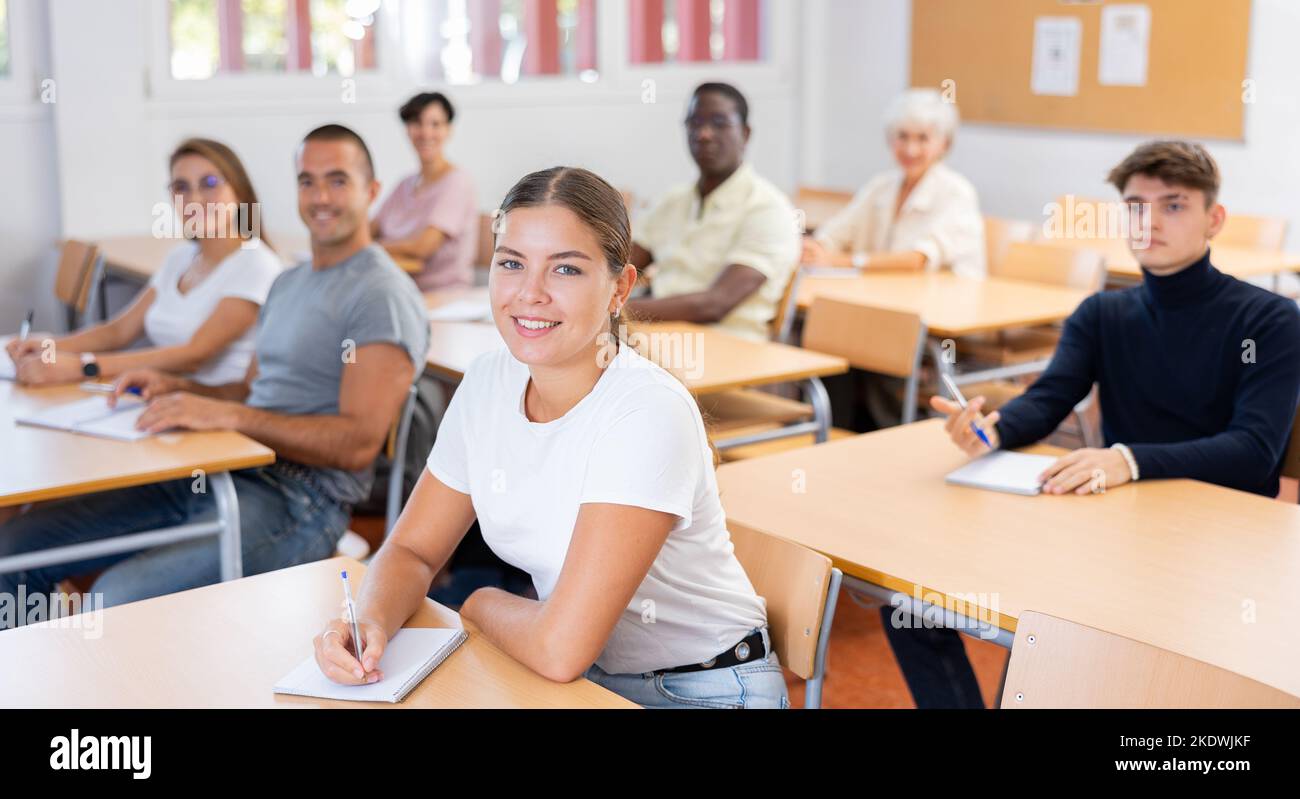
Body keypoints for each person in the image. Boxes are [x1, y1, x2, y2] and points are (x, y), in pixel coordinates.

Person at [312, 166, 788, 709]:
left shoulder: (646, 411)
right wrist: (366, 620)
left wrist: (479, 601)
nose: (530, 293)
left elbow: (560, 647)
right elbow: (414, 549)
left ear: (620, 288)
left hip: (699, 688)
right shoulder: (490, 380)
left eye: (565, 269)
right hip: (576, 680)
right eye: (511, 263)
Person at [888, 140, 1300, 708]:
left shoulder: (1270, 319)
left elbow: (1254, 451)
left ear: (1214, 219)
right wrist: (993, 429)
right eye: (1135, 206)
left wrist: (1128, 459)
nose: (1149, 221)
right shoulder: (1104, 313)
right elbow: (1051, 399)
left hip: (1220, 541)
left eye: (1173, 206)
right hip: (1118, 525)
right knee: (909, 601)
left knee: (1046, 642)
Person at [0, 125, 429, 619]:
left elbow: (356, 443)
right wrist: (184, 389)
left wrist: (227, 418)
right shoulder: (291, 281)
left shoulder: (380, 295)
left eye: (337, 180)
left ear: (371, 192)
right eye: (307, 181)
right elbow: (246, 392)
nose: (320, 196)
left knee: (115, 600)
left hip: (300, 501)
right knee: (17, 541)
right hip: (223, 469)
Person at [6, 138, 282, 386]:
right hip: (161, 399)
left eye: (210, 184)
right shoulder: (181, 257)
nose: (195, 199)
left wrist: (83, 367)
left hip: (216, 417)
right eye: (181, 187)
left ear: (240, 191)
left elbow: (193, 356)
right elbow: (118, 331)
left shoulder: (256, 266)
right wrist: (49, 346)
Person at [627, 82, 800, 342]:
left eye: (719, 123)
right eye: (694, 124)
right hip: (660, 334)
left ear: (745, 133)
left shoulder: (768, 209)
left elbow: (713, 305)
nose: (704, 134)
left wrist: (611, 313)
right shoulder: (673, 201)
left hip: (728, 347)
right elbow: (618, 265)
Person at [802, 88, 986, 278]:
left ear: (944, 144)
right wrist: (815, 249)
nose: (910, 150)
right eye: (903, 136)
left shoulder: (957, 192)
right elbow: (836, 232)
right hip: (886, 293)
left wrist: (843, 261)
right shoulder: (881, 186)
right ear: (890, 139)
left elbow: (918, 259)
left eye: (923, 138)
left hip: (943, 300)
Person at [371, 91, 479, 292]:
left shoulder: (458, 182)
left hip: (443, 294)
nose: (425, 133)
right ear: (407, 130)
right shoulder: (405, 184)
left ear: (449, 130)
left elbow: (422, 247)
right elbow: (369, 229)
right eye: (417, 123)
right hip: (401, 288)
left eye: (435, 124)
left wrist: (371, 248)